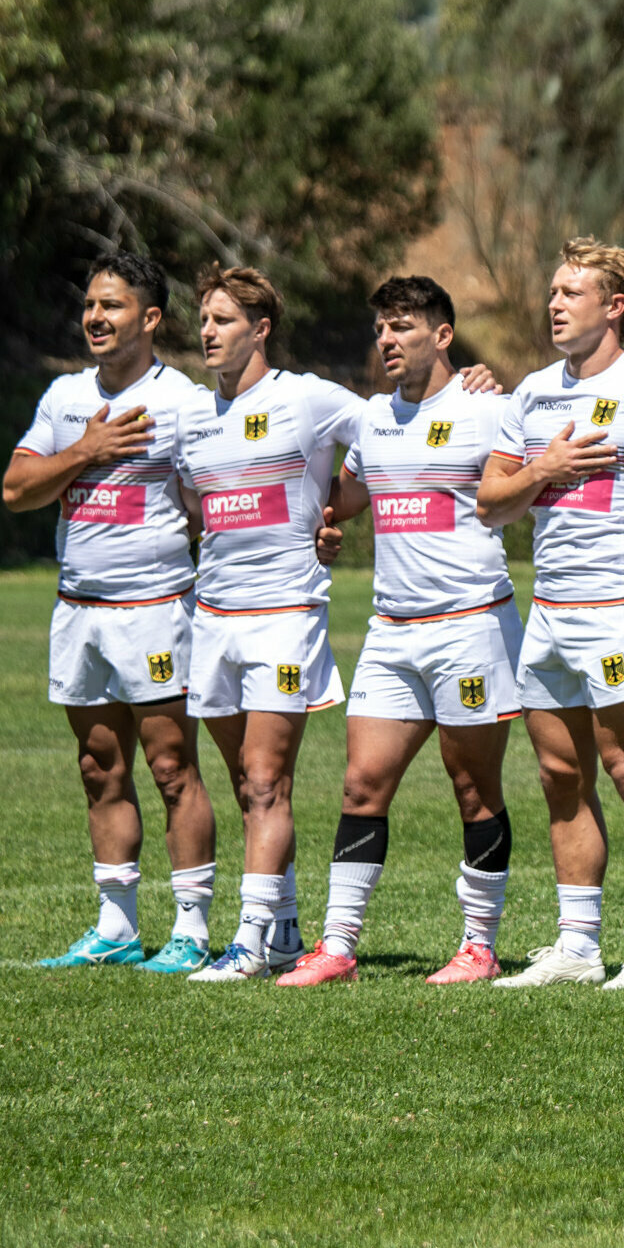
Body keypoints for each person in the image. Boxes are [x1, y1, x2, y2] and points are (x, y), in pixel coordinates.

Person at [276, 276, 523, 987]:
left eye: (405, 327)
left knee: (473, 787)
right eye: (382, 328)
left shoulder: (489, 409)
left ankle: (479, 946)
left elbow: (523, 481)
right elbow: (348, 494)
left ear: (443, 336)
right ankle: (337, 946)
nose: (388, 339)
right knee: (361, 784)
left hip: (471, 625)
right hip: (391, 630)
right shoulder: (374, 418)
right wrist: (326, 526)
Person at [481, 239, 624, 991]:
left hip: (622, 610)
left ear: (616, 307)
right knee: (559, 774)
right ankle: (576, 945)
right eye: (553, 290)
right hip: (550, 611)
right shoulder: (532, 392)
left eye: (572, 291)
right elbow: (489, 503)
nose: (554, 303)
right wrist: (543, 470)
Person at [2, 255, 220, 969]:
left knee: (170, 765)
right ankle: (117, 925)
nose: (96, 317)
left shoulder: (184, 401)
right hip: (78, 612)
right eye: (91, 304)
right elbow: (16, 488)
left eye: (113, 306)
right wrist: (87, 449)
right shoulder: (66, 397)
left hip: (155, 609)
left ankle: (189, 928)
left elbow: (210, 498)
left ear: (150, 318)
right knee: (99, 766)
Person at [173, 266, 365, 982]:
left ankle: (251, 941)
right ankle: (283, 928)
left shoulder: (306, 397)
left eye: (223, 319)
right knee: (243, 781)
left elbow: (385, 432)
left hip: (286, 616)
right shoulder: (194, 415)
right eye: (203, 319)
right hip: (213, 618)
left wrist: (337, 505)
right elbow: (198, 507)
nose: (207, 331)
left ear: (260, 329)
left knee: (265, 779)